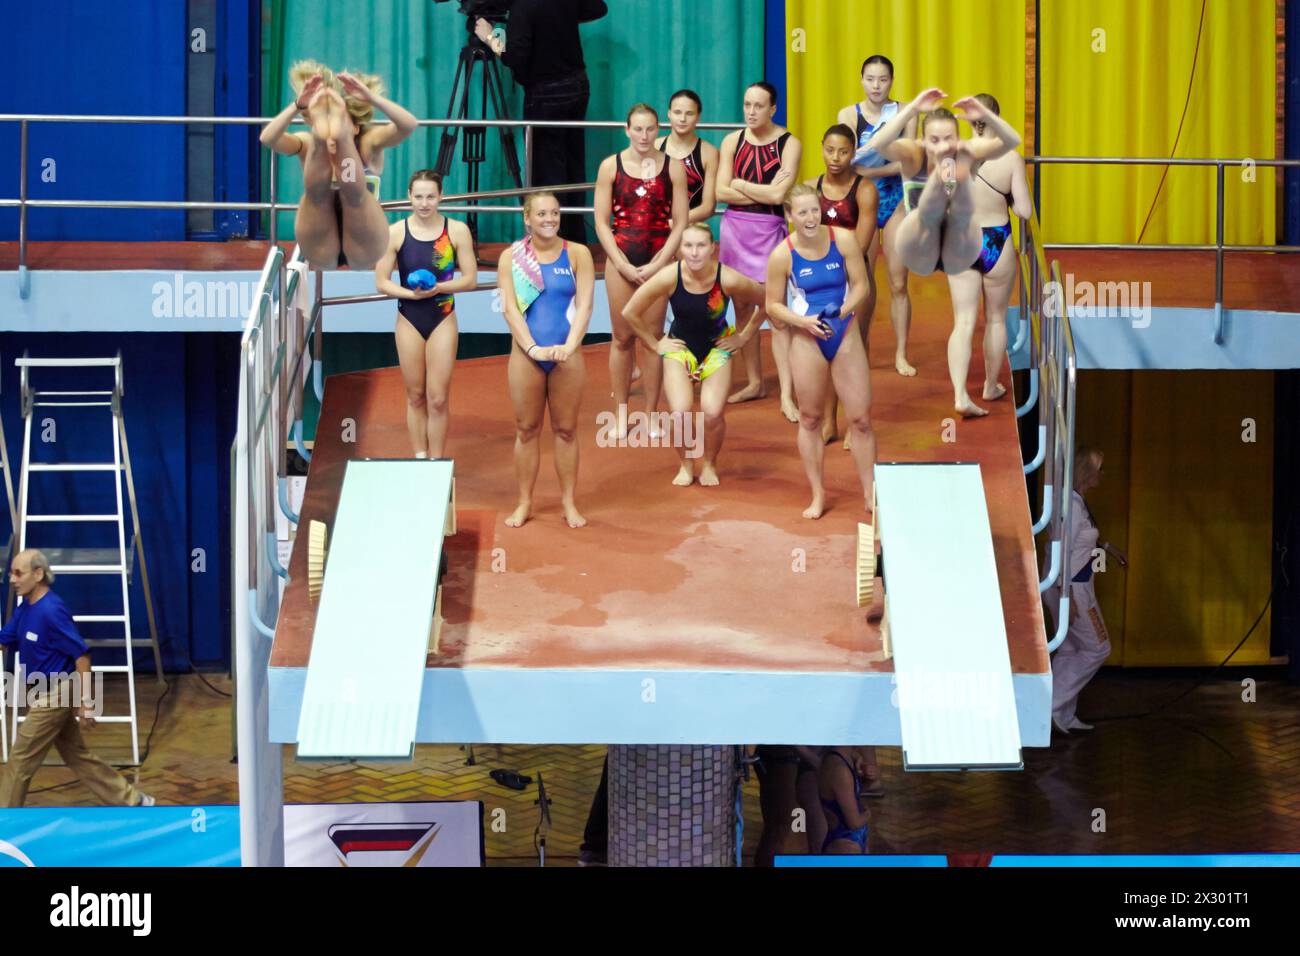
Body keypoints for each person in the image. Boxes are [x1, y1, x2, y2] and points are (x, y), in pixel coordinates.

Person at [865, 89, 1021, 416]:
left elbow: (1012, 139)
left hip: (961, 242)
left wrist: (985, 115)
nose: (942, 146)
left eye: (948, 138)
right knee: (987, 319)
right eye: (934, 140)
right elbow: (877, 145)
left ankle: (973, 391)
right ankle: (975, 390)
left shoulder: (966, 150)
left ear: (959, 134)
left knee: (971, 320)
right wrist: (911, 111)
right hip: (965, 239)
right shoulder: (914, 152)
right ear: (923, 139)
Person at [0, 550, 153, 808]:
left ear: (38, 574)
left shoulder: (52, 611)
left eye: (18, 573)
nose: (12, 579)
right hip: (37, 690)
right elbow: (4, 641)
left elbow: (82, 657)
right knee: (77, 755)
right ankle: (133, 801)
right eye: (11, 572)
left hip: (58, 692)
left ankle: (5, 823)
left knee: (20, 758)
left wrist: (87, 702)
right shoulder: (26, 608)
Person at [622, 223, 764, 486]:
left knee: (711, 414)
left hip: (716, 350)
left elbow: (767, 300)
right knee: (679, 413)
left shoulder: (728, 278)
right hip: (680, 348)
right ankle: (686, 465)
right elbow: (630, 312)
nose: (695, 252)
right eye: (688, 246)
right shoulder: (670, 276)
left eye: (701, 246)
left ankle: (710, 463)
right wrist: (655, 344)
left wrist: (743, 336)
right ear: (679, 249)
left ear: (713, 248)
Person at [766, 184, 875, 520]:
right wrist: (803, 321)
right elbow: (772, 305)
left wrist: (842, 313)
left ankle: (871, 495)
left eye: (815, 210)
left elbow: (862, 286)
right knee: (811, 418)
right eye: (802, 212)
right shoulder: (782, 255)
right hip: (806, 336)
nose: (811, 218)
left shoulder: (843, 240)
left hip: (844, 333)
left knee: (860, 418)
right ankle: (817, 494)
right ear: (789, 216)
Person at [496, 191, 595, 529]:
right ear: (527, 219)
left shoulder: (578, 253)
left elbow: (585, 306)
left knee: (566, 430)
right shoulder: (511, 257)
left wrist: (569, 346)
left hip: (567, 355)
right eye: (541, 214)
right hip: (527, 356)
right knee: (526, 429)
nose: (549, 219)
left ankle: (568, 502)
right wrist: (533, 349)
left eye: (554, 213)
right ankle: (525, 502)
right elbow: (509, 309)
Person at [260, 61, 418, 270]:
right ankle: (319, 136)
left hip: (365, 241)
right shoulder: (304, 143)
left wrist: (372, 99)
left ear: (356, 127)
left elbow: (409, 124)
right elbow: (268, 138)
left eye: (342, 123)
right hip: (320, 242)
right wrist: (298, 105)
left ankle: (338, 139)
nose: (330, 138)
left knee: (353, 195)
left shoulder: (369, 142)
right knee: (317, 194)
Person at [475, 0, 608, 243]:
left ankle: (553, 244)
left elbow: (515, 56)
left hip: (546, 93)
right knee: (573, 167)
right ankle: (575, 240)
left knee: (548, 174)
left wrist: (489, 37)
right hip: (578, 85)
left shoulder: (522, 6)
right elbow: (597, 7)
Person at [594, 103, 689, 437]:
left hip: (658, 262)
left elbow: (680, 223)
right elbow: (602, 223)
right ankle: (621, 413)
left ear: (658, 129)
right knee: (621, 339)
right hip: (621, 262)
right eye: (638, 129)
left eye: (650, 129)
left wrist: (660, 263)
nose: (644, 136)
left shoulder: (673, 168)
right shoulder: (610, 167)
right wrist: (620, 263)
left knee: (652, 340)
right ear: (627, 129)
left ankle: (649, 414)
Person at [375, 170, 477, 459]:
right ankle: (420, 457)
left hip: (442, 316)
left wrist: (439, 288)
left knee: (438, 398)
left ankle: (436, 462)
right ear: (409, 196)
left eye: (430, 196)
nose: (424, 203)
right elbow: (381, 281)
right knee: (416, 395)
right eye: (418, 196)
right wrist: (412, 294)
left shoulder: (456, 231)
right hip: (409, 317)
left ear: (440, 196)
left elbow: (470, 279)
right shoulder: (395, 232)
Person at [716, 82, 802, 418]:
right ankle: (754, 382)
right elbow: (722, 192)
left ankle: (788, 394)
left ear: (773, 109)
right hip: (735, 231)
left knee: (776, 313)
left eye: (758, 106)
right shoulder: (731, 141)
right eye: (747, 104)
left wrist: (740, 185)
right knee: (741, 309)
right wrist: (760, 190)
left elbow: (779, 198)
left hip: (769, 230)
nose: (751, 112)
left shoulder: (788, 143)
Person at [943, 93, 1033, 416]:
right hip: (996, 240)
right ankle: (990, 385)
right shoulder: (1010, 157)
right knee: (995, 318)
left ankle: (958, 394)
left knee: (963, 321)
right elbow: (1024, 210)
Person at [841, 55, 918, 376]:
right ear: (861, 79)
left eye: (883, 79)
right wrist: (871, 170)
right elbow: (844, 160)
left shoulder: (904, 113)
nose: (876, 85)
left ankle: (901, 353)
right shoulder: (848, 115)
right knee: (864, 282)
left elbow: (911, 163)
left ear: (892, 81)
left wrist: (874, 169)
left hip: (897, 200)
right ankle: (863, 347)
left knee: (899, 282)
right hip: (864, 202)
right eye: (870, 79)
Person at [805, 124, 878, 445]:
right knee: (825, 353)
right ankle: (829, 422)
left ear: (853, 152)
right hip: (821, 284)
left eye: (844, 151)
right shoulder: (810, 189)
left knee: (853, 353)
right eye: (830, 150)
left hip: (854, 279)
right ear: (821, 147)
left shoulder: (864, 191)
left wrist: (833, 274)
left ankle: (856, 422)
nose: (835, 158)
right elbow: (804, 241)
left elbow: (860, 246)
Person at [1045, 447, 1127, 734]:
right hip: (1072, 587)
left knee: (1070, 648)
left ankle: (1063, 716)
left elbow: (1080, 539)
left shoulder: (1075, 502)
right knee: (1098, 648)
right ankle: (1051, 705)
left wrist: (1106, 547)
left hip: (1070, 584)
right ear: (1086, 472)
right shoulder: (1073, 506)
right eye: (1099, 469)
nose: (1102, 475)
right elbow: (1062, 551)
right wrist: (1065, 592)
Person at [655, 89, 719, 223]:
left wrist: (672, 224)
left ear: (698, 116)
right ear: (669, 114)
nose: (682, 119)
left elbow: (708, 207)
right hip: (655, 230)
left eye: (689, 113)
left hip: (690, 233)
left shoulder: (709, 153)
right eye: (677, 112)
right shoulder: (654, 147)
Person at [818, 746, 872, 854]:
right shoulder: (839, 769)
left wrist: (869, 776)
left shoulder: (848, 758)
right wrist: (868, 814)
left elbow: (854, 795)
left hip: (856, 840)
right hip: (844, 845)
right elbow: (854, 823)